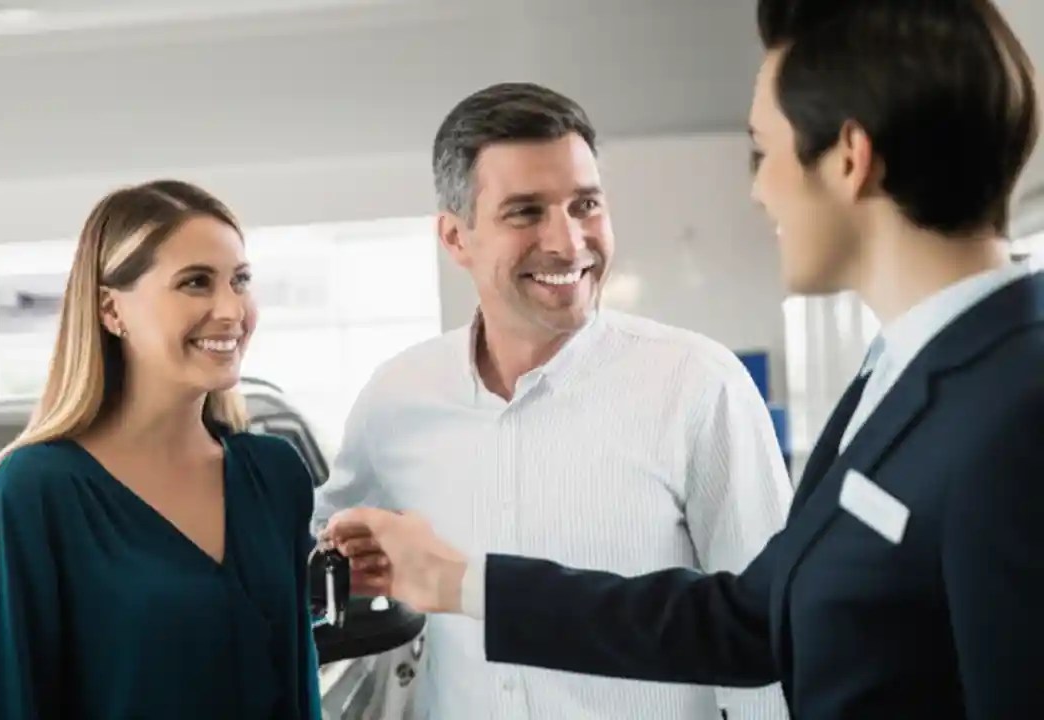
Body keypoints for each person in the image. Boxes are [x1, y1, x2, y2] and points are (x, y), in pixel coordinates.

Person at [324, 1, 1044, 718]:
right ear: (456, 238)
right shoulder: (892, 376)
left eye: (764, 152)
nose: (758, 190)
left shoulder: (1018, 405)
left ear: (849, 160)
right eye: (526, 210)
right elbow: (754, 620)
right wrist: (460, 582)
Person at [312, 82, 792, 719]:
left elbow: (771, 631)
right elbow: (316, 549)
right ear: (456, 238)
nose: (568, 242)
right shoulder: (397, 397)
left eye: (585, 204)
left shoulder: (700, 385)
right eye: (525, 211)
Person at [0, 180, 322, 719]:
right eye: (196, 283)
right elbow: (9, 704)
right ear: (112, 310)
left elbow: (299, 690)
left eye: (240, 280)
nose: (232, 310)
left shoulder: (274, 475)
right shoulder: (36, 491)